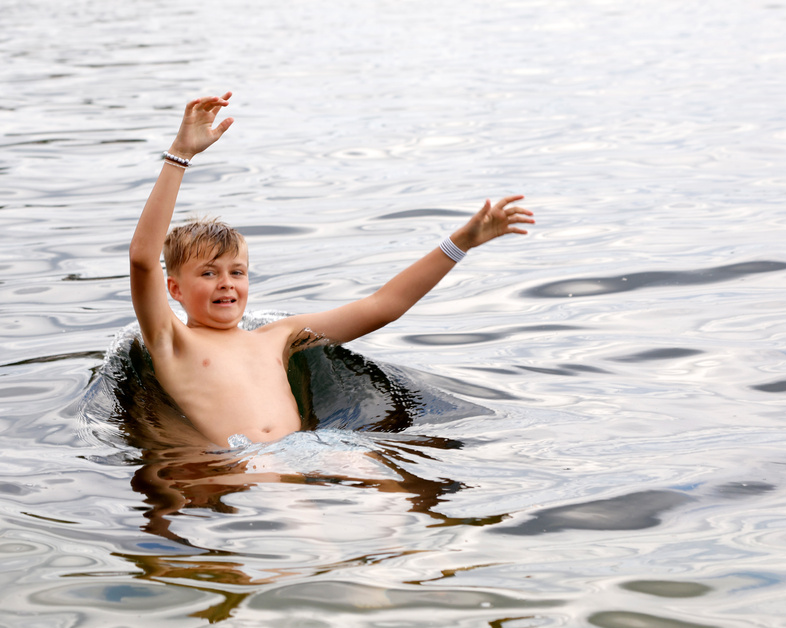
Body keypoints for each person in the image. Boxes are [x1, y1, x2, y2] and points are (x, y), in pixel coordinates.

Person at [129, 92, 534, 448]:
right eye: (208, 273)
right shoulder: (172, 341)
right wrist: (180, 155)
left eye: (237, 272)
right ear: (175, 289)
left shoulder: (278, 338)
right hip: (240, 466)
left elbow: (382, 306)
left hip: (311, 451)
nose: (226, 284)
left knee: (379, 480)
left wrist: (460, 242)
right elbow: (142, 260)